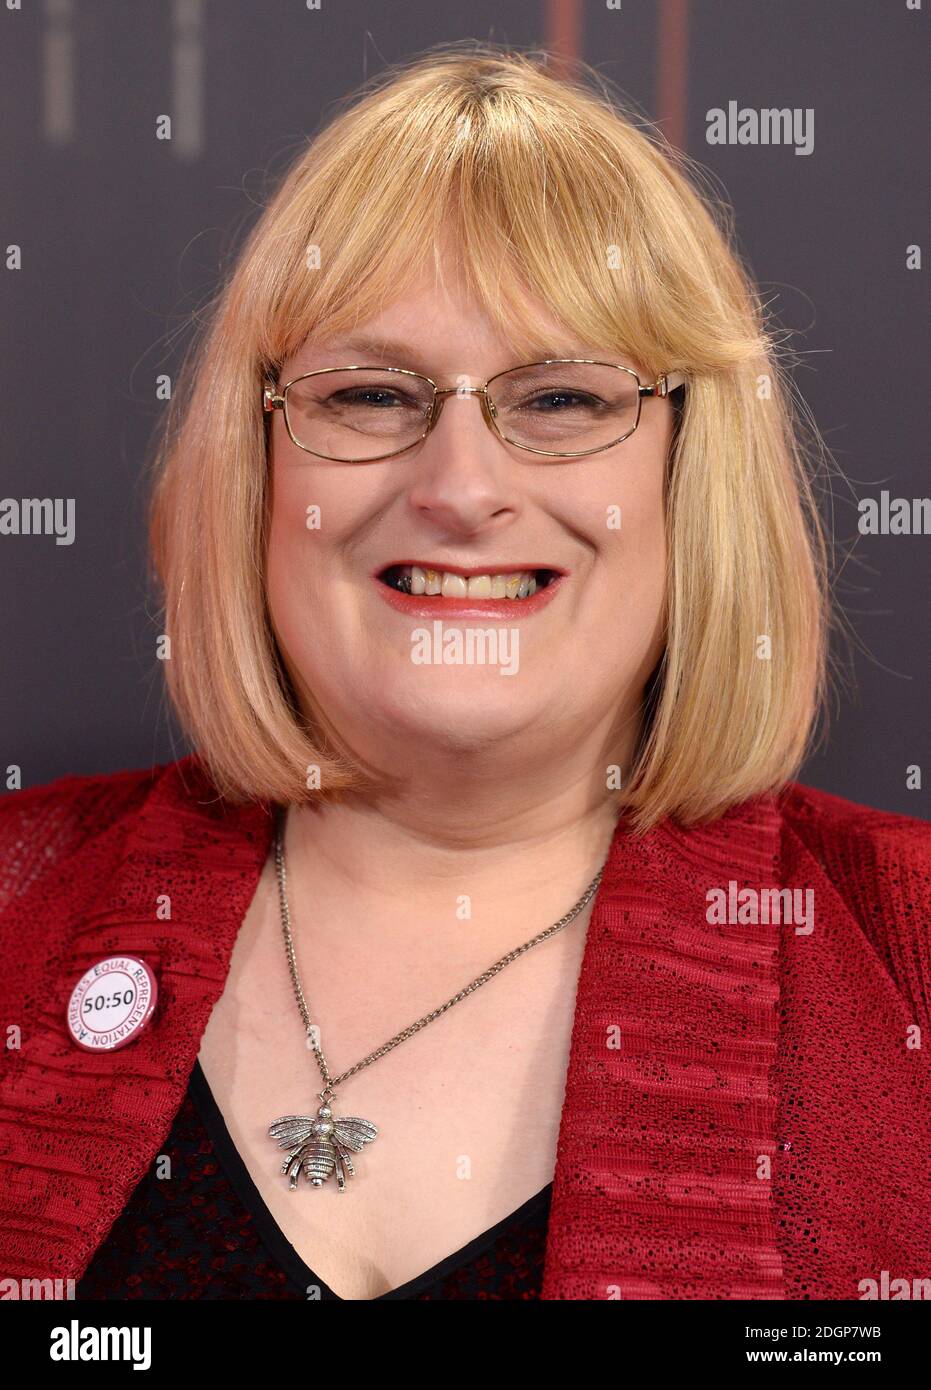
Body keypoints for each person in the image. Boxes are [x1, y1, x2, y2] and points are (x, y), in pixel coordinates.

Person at [0, 43, 927, 1303]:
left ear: (687, 476)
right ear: (255, 470)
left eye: (557, 400)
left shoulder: (904, 949)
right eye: (372, 394)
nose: (458, 489)